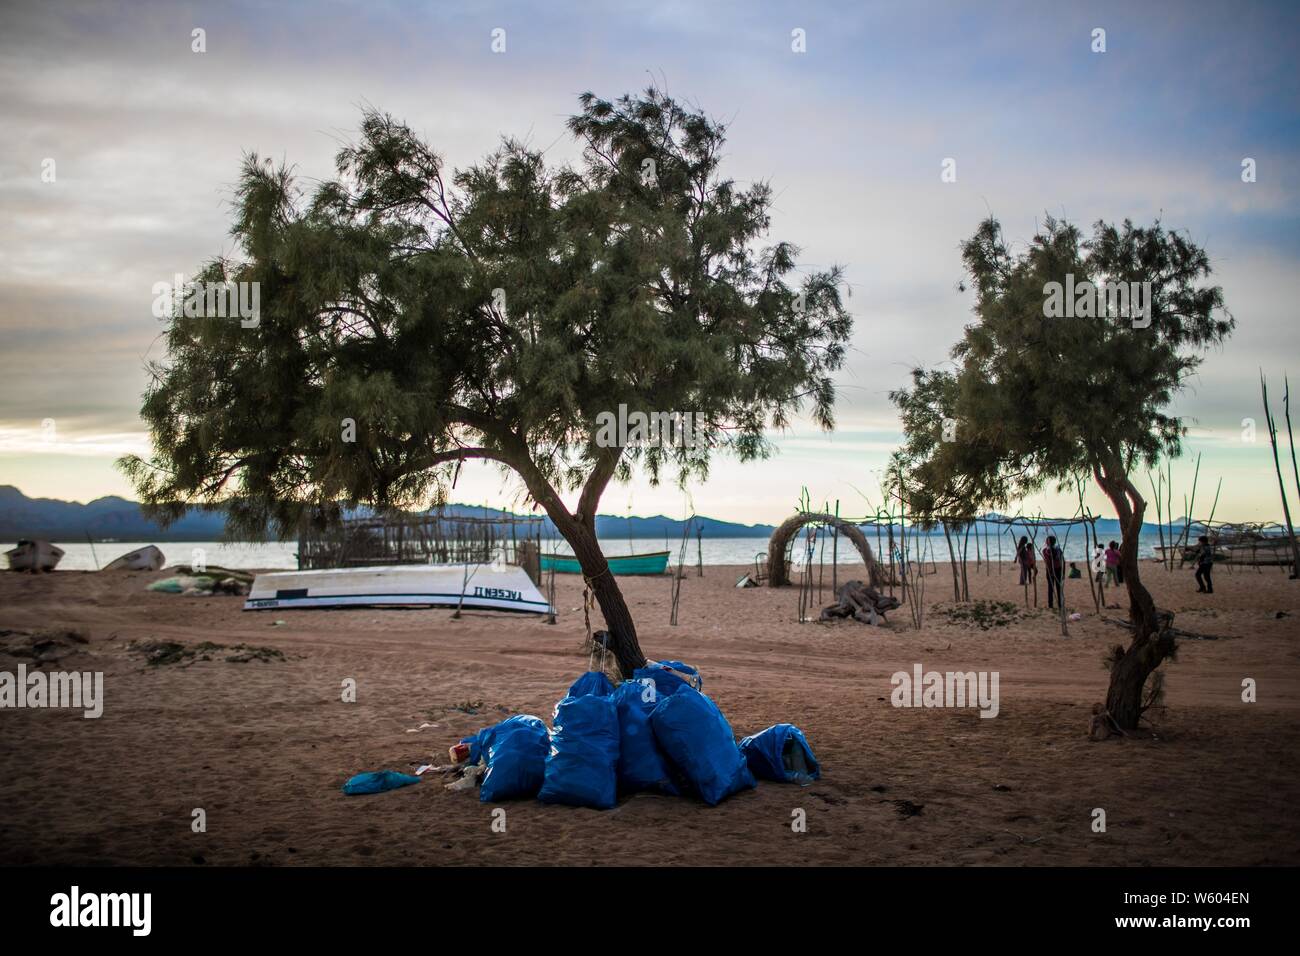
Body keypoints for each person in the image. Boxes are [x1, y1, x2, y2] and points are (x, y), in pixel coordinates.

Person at [1042, 535, 1064, 609]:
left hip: (1051, 570)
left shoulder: (1045, 550)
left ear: (1048, 542)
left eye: (1047, 540)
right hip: (1058, 569)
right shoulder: (1058, 550)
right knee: (1058, 588)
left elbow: (1048, 561)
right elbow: (1062, 560)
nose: (1045, 541)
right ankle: (1060, 604)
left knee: (1051, 588)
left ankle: (1050, 605)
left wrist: (1050, 570)